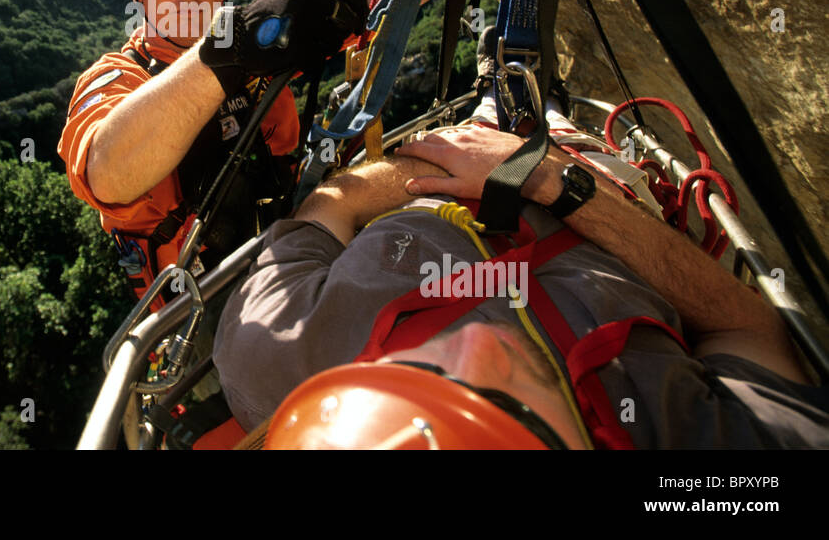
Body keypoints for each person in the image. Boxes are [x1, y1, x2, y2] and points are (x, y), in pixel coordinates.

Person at [213, 120, 829, 449]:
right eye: (505, 405)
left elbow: (331, 203)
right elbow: (747, 326)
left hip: (441, 171)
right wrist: (550, 180)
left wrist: (436, 167)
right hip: (590, 179)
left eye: (412, 378)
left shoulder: (265, 354)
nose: (478, 344)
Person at [57, 0, 453, 302]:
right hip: (197, 326)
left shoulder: (257, 45)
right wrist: (227, 53)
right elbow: (108, 172)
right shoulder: (120, 77)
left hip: (292, 267)